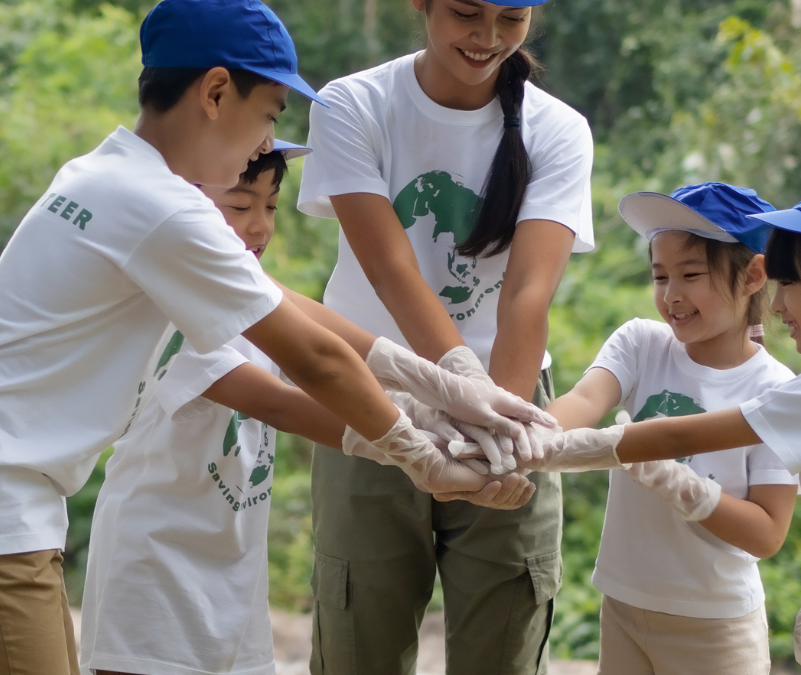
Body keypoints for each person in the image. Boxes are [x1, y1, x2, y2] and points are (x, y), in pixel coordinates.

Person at [0, 2, 547, 673]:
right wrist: (415, 452)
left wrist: (448, 385)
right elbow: (308, 356)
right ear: (217, 91)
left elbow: (288, 307)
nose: (264, 144)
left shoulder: (111, 174)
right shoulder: (163, 209)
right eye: (270, 114)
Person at [77, 144, 537, 675]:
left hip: (231, 567)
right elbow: (278, 402)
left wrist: (443, 395)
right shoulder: (164, 303)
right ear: (185, 209)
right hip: (153, 564)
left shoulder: (249, 301)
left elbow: (332, 342)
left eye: (270, 207)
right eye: (239, 205)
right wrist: (422, 448)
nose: (259, 227)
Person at [295, 0, 595, 671]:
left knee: (505, 643)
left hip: (514, 406)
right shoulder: (353, 105)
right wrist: (465, 390)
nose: (488, 38)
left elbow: (526, 294)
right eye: (466, 12)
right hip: (372, 398)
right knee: (358, 638)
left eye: (512, 20)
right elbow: (391, 270)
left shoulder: (558, 130)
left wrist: (503, 440)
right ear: (421, 4)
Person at [514, 188, 801, 667]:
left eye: (690, 274)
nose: (671, 294)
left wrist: (688, 489)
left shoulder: (781, 390)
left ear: (752, 276)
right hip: (624, 602)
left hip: (716, 624)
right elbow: (582, 402)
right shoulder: (642, 343)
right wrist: (523, 435)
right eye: (660, 276)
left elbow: (765, 530)